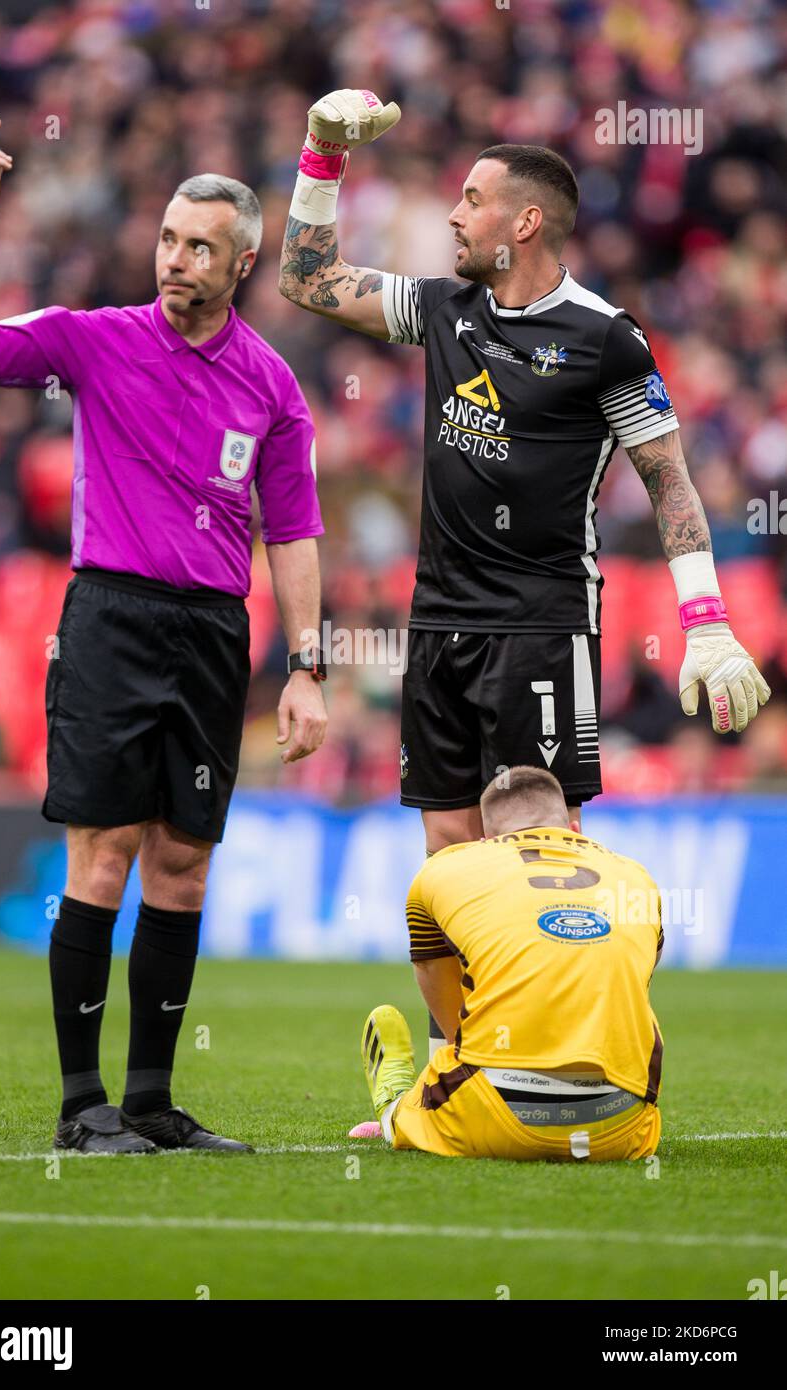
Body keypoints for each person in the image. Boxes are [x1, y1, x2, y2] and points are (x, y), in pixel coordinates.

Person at [279, 88, 769, 1059]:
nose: (452, 214)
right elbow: (308, 279)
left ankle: (565, 1055)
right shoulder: (443, 308)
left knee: (541, 860)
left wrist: (704, 620)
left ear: (525, 220)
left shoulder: (604, 337)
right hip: (436, 627)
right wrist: (318, 156)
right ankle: (450, 1072)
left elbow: (666, 478)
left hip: (542, 626)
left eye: (470, 197)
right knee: (444, 862)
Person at [0, 118, 328, 1155]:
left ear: (241, 262)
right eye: (165, 239)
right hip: (109, 617)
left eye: (198, 247)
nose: (174, 260)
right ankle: (80, 1106)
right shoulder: (94, 338)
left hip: (210, 632)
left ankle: (149, 1102)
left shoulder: (273, 388)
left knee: (182, 867)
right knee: (99, 858)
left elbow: (290, 531)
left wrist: (306, 666)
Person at [360, 765, 663, 1162]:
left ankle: (395, 1105)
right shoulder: (637, 876)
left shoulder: (445, 869)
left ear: (487, 840)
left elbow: (433, 970)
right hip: (622, 1131)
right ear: (575, 829)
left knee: (410, 1114)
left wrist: (459, 1048)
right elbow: (636, 976)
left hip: (490, 1116)